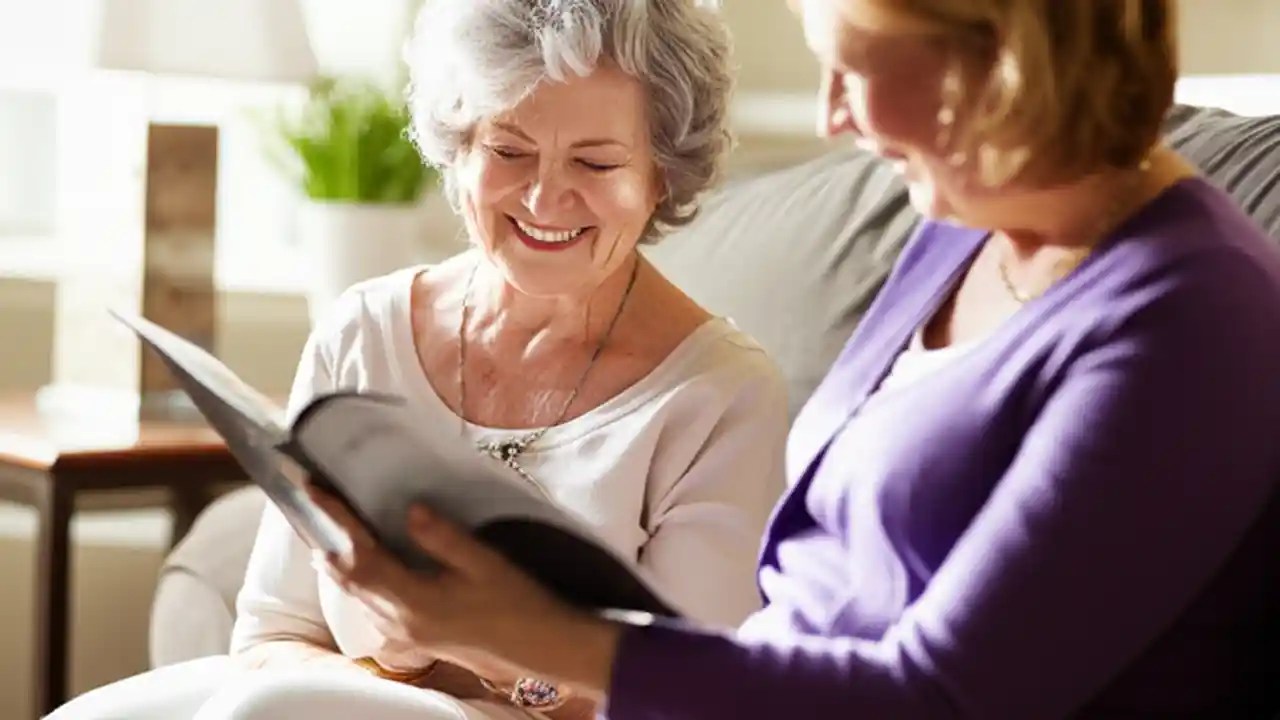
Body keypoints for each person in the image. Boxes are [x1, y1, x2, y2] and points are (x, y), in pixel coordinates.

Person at [203, 0, 1280, 718]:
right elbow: (794, 599)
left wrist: (533, 638)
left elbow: (939, 700)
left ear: (1000, 56)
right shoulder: (958, 223)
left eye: (853, 68)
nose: (827, 117)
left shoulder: (1194, 312)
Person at [45, 1, 786, 718]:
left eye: (595, 162)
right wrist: (395, 671)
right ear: (457, 149)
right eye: (508, 150)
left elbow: (690, 698)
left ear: (662, 175)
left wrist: (473, 639)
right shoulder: (364, 331)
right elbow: (273, 636)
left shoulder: (720, 397)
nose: (544, 195)